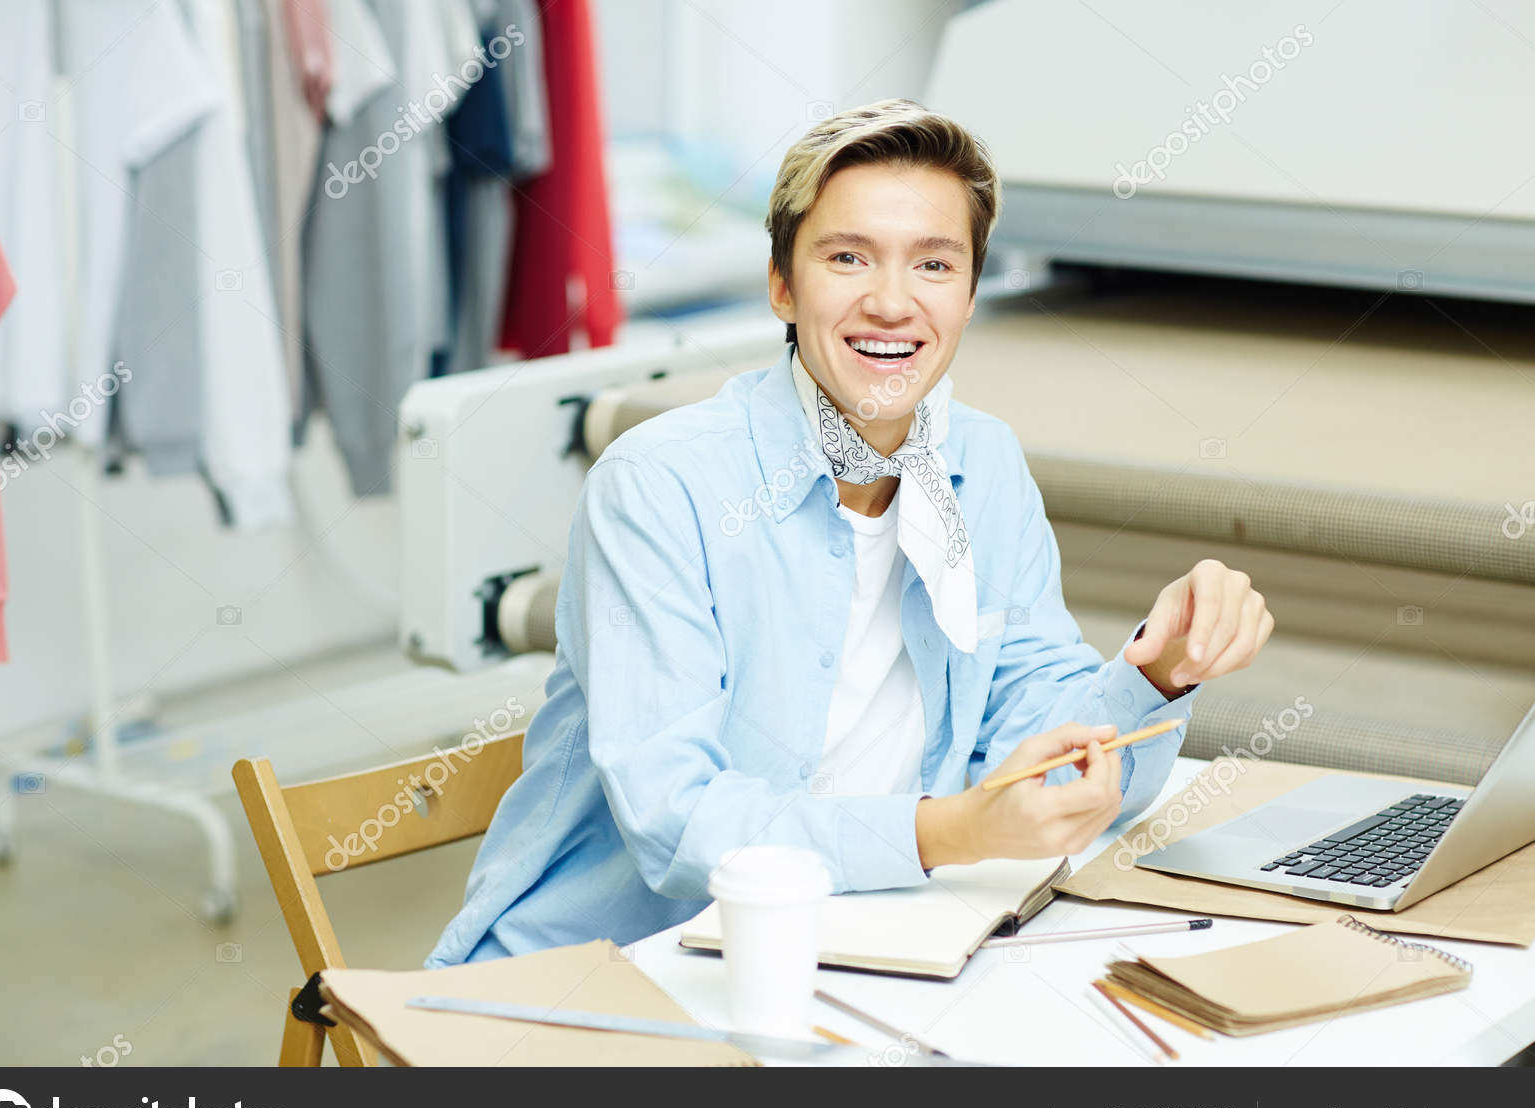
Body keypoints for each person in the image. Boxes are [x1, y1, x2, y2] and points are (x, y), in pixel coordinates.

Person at [426, 98, 1273, 966]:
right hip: (608, 975)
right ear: (783, 285)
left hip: (867, 948)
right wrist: (945, 831)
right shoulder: (659, 486)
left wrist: (1158, 673)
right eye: (847, 257)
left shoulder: (982, 463)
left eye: (934, 264)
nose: (892, 302)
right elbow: (677, 821)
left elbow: (1042, 752)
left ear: (972, 292)